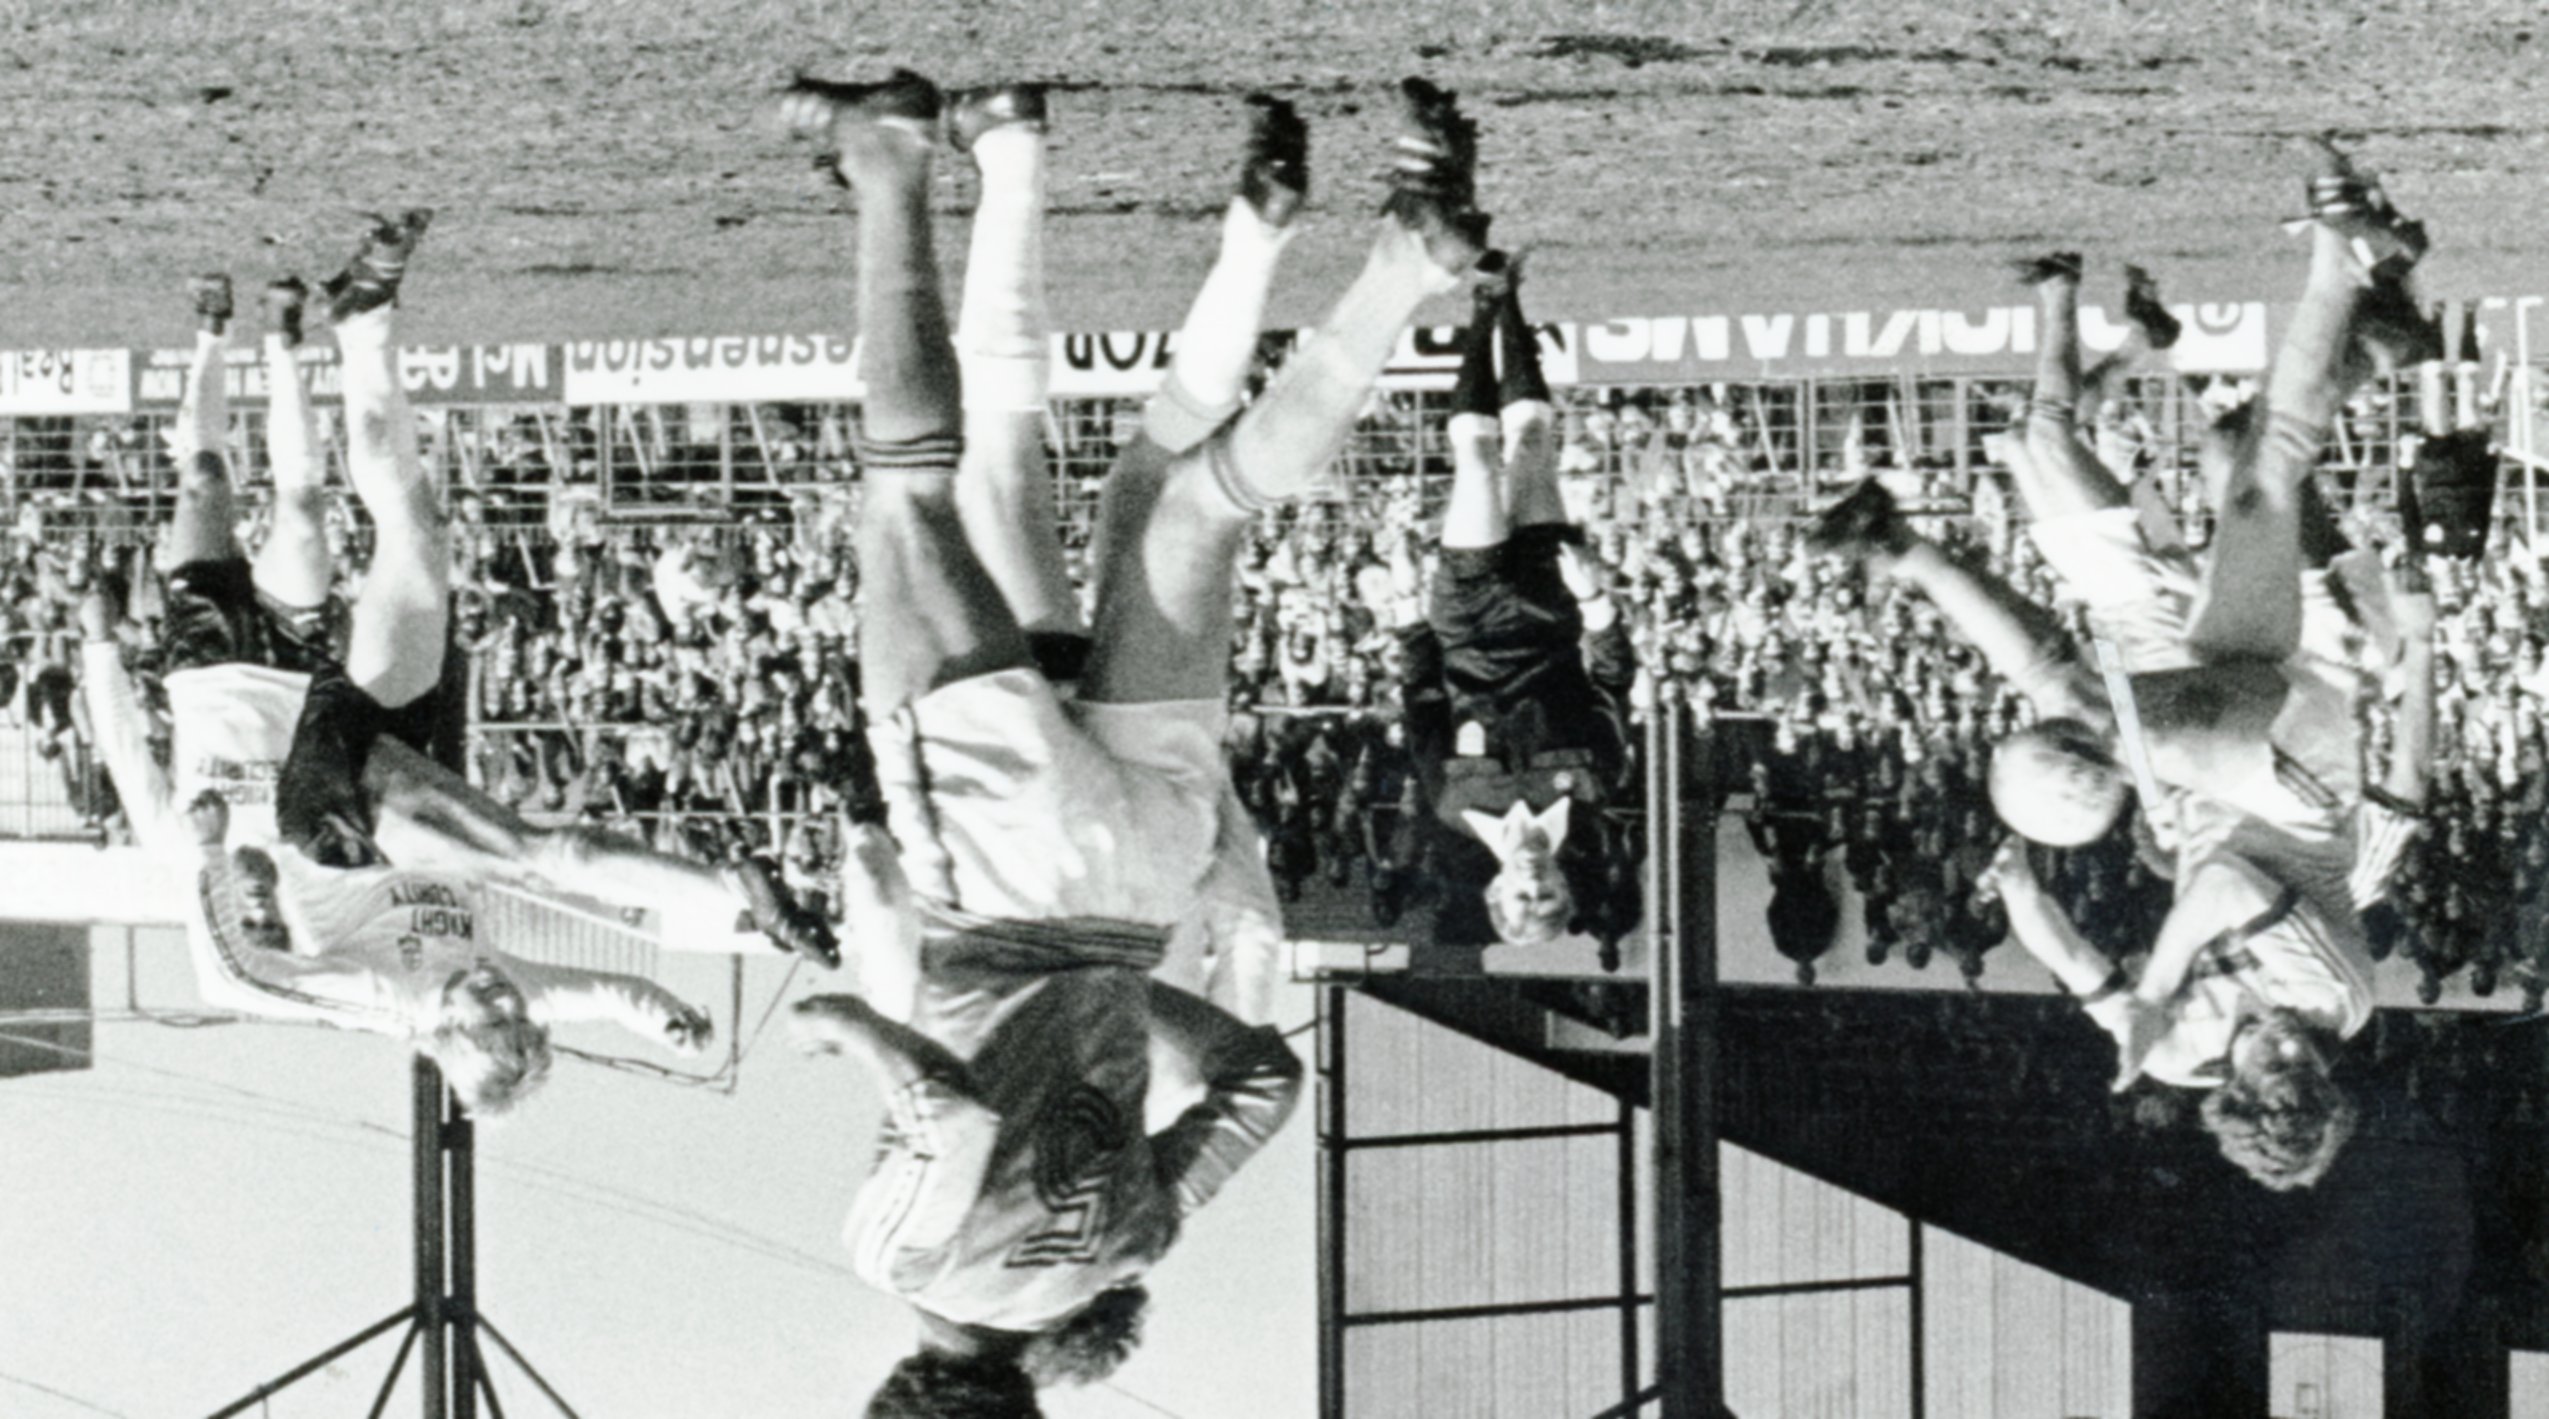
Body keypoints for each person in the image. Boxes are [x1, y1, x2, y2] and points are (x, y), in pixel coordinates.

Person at [777, 68, 1488, 1411]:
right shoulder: (901, 1258)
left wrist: (1103, 993)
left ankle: (1399, 273)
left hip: (1139, 886)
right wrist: (849, 1025)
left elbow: (1262, 1075)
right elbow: (957, 1112)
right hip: (1001, 886)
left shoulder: (1124, 1251)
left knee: (1191, 518)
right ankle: (889, 162)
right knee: (914, 501)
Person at [1812, 142, 2438, 1188]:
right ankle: (1902, 549)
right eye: (2303, 1066)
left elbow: (2086, 979)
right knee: (2080, 709)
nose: (2283, 1043)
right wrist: (2160, 985)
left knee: (2258, 482)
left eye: (2265, 1065)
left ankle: (2343, 255)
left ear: (2228, 1089)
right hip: (2290, 774)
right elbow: (2232, 884)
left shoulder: (2186, 1050)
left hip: (2217, 766)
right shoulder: (2338, 1002)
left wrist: (2027, 906)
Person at [84, 222, 813, 1115]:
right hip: (396, 771)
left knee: (548, 855)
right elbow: (609, 996)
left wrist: (203, 859)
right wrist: (670, 1022)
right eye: (520, 1015)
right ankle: (362, 322)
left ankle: (735, 889)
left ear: (450, 1035)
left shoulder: (383, 1001)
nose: (504, 993)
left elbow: (237, 978)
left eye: (492, 1015)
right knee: (418, 534)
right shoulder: (506, 980)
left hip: (331, 812)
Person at [1387, 252, 1640, 961]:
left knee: (1474, 460)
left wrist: (1407, 609)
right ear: (1564, 882)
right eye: (1549, 896)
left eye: (1521, 899)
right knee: (1531, 444)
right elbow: (1614, 683)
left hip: (1464, 621)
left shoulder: (1449, 803)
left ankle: (1479, 307)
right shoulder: (1594, 784)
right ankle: (1509, 300)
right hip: (1551, 606)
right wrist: (1594, 599)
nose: (1534, 886)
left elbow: (1421, 697)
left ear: (1496, 892)